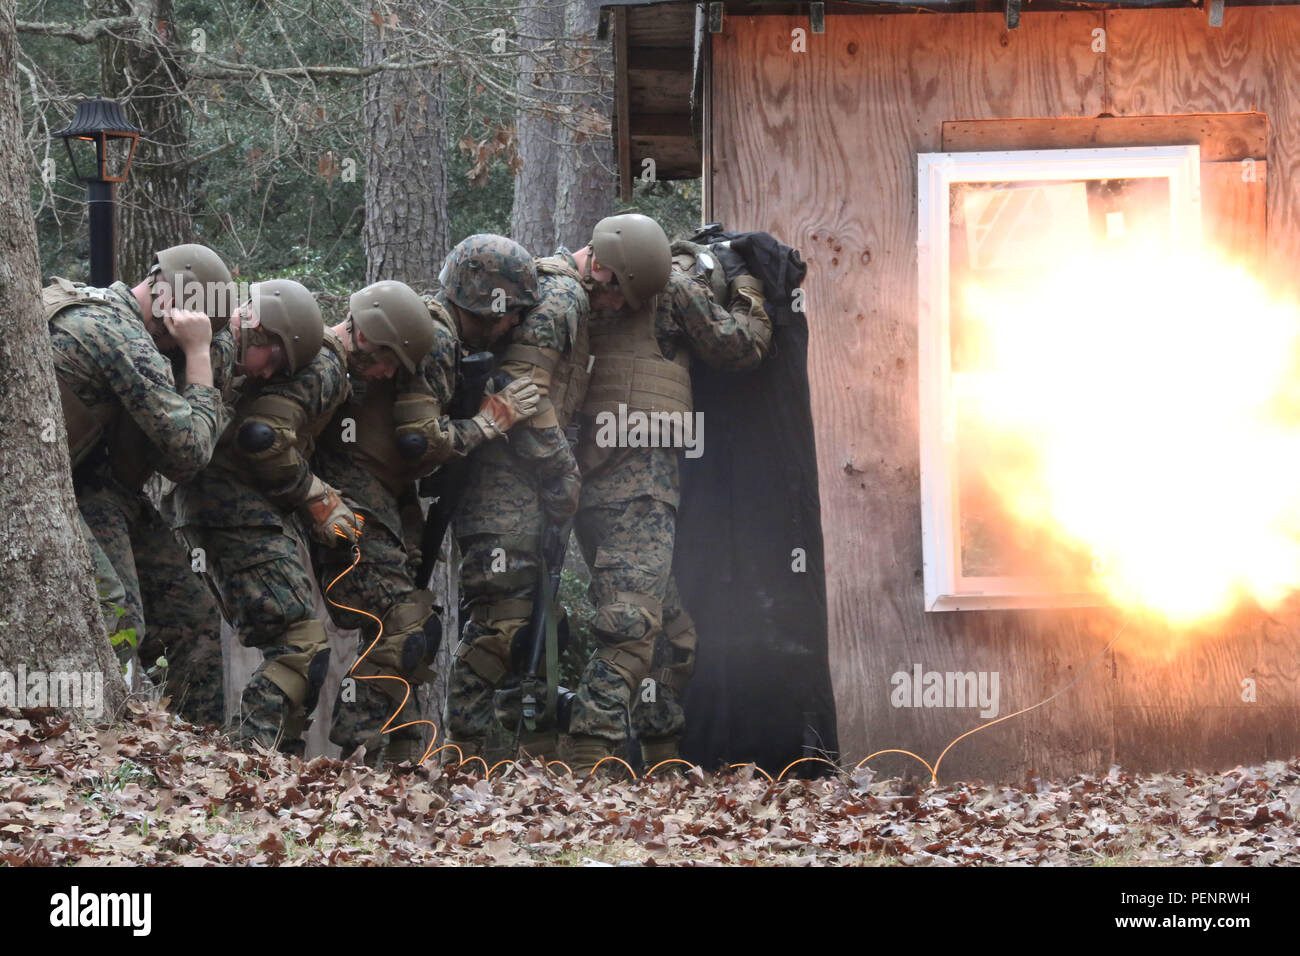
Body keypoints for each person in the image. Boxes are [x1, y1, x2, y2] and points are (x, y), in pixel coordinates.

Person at [314, 248, 541, 766]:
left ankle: (398, 755)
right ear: (481, 298)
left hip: (382, 492)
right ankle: (354, 755)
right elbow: (420, 440)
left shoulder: (438, 331)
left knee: (409, 626)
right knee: (406, 626)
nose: (512, 322)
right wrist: (487, 424)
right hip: (354, 489)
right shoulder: (437, 337)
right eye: (508, 309)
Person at [564, 214, 772, 774]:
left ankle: (661, 764)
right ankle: (589, 761)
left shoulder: (565, 286)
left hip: (591, 489)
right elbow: (740, 349)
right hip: (636, 491)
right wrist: (750, 291)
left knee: (672, 639)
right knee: (632, 629)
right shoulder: (673, 289)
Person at [46, 244, 235, 724]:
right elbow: (189, 453)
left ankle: (196, 753)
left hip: (80, 484)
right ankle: (93, 744)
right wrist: (197, 354)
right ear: (174, 304)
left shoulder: (104, 312)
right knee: (112, 611)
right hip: (37, 492)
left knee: (191, 617)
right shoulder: (119, 335)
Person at [169, 279, 351, 753]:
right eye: (271, 357)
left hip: (215, 512)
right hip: (232, 512)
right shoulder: (213, 344)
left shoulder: (224, 352)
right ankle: (248, 760)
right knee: (301, 649)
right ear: (255, 325)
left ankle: (274, 769)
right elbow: (258, 438)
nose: (269, 374)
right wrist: (312, 493)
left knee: (298, 651)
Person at [444, 243, 589, 763]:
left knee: (526, 628)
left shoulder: (545, 292)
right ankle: (463, 760)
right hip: (500, 498)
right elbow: (523, 392)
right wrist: (563, 474)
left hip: (514, 498)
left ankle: (509, 762)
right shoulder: (560, 295)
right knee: (499, 630)